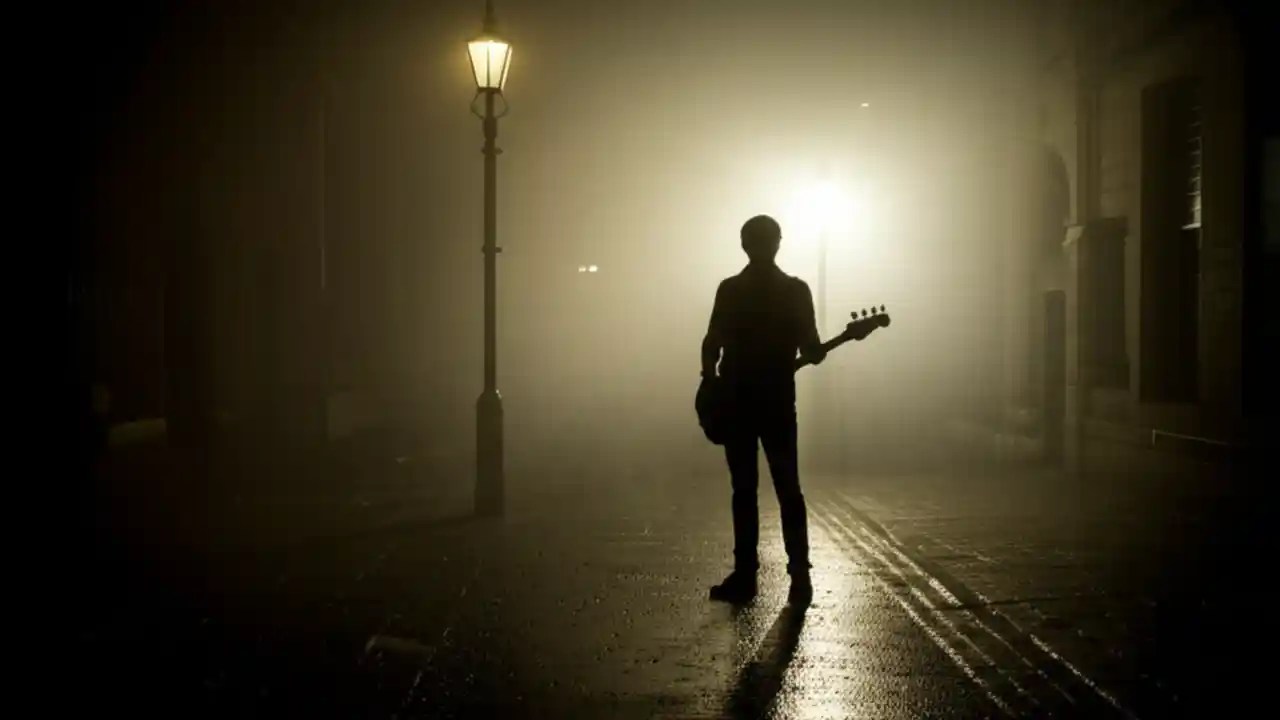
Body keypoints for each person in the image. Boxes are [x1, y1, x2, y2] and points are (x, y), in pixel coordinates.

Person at [701, 214, 826, 606]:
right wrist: (813, 351)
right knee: (789, 489)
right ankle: (800, 579)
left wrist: (710, 380)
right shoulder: (796, 290)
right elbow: (812, 350)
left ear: (743, 244)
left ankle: (746, 576)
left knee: (743, 490)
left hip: (737, 401)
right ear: (778, 243)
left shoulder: (730, 290)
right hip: (777, 402)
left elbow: (711, 343)